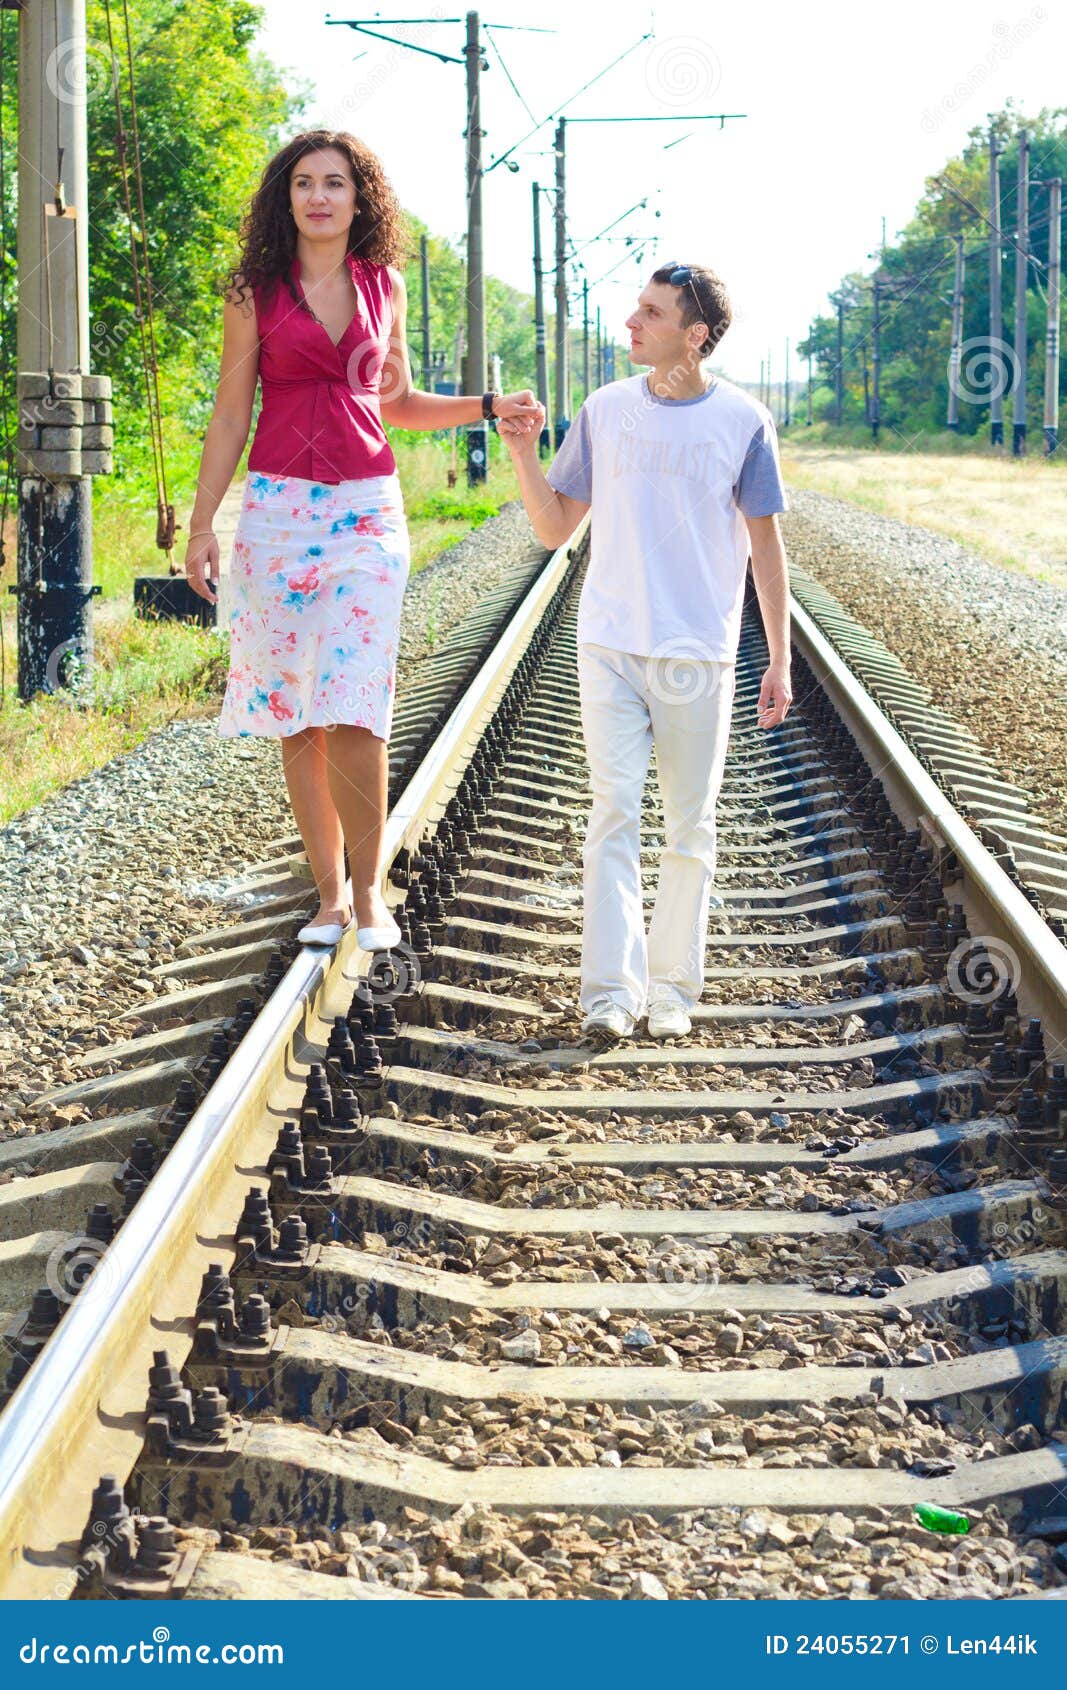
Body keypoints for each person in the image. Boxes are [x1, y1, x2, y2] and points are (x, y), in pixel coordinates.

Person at [184, 129, 540, 950]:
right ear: (285, 198)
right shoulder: (252, 292)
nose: (317, 196)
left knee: (354, 706)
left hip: (366, 516)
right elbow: (232, 412)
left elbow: (399, 403)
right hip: (275, 512)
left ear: (358, 198)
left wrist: (489, 406)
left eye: (334, 183)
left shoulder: (385, 285)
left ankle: (372, 893)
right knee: (297, 717)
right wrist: (206, 523)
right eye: (303, 183)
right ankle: (329, 895)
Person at [498, 261, 791, 1042]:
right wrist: (525, 454)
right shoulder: (605, 410)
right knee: (613, 814)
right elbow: (557, 528)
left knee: (689, 827)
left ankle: (670, 989)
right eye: (634, 309)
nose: (631, 324)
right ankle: (608, 992)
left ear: (694, 336)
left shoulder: (743, 421)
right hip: (610, 645)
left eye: (651, 314)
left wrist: (779, 657)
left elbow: (766, 548)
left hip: (699, 651)